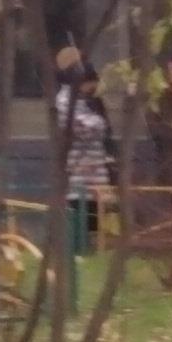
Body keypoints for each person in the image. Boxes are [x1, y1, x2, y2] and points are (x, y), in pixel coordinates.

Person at [53, 47, 114, 251]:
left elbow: (104, 130)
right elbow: (87, 128)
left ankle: (92, 252)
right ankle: (78, 254)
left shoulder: (88, 101)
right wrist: (99, 120)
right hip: (78, 172)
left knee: (96, 219)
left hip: (96, 170)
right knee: (79, 216)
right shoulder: (64, 101)